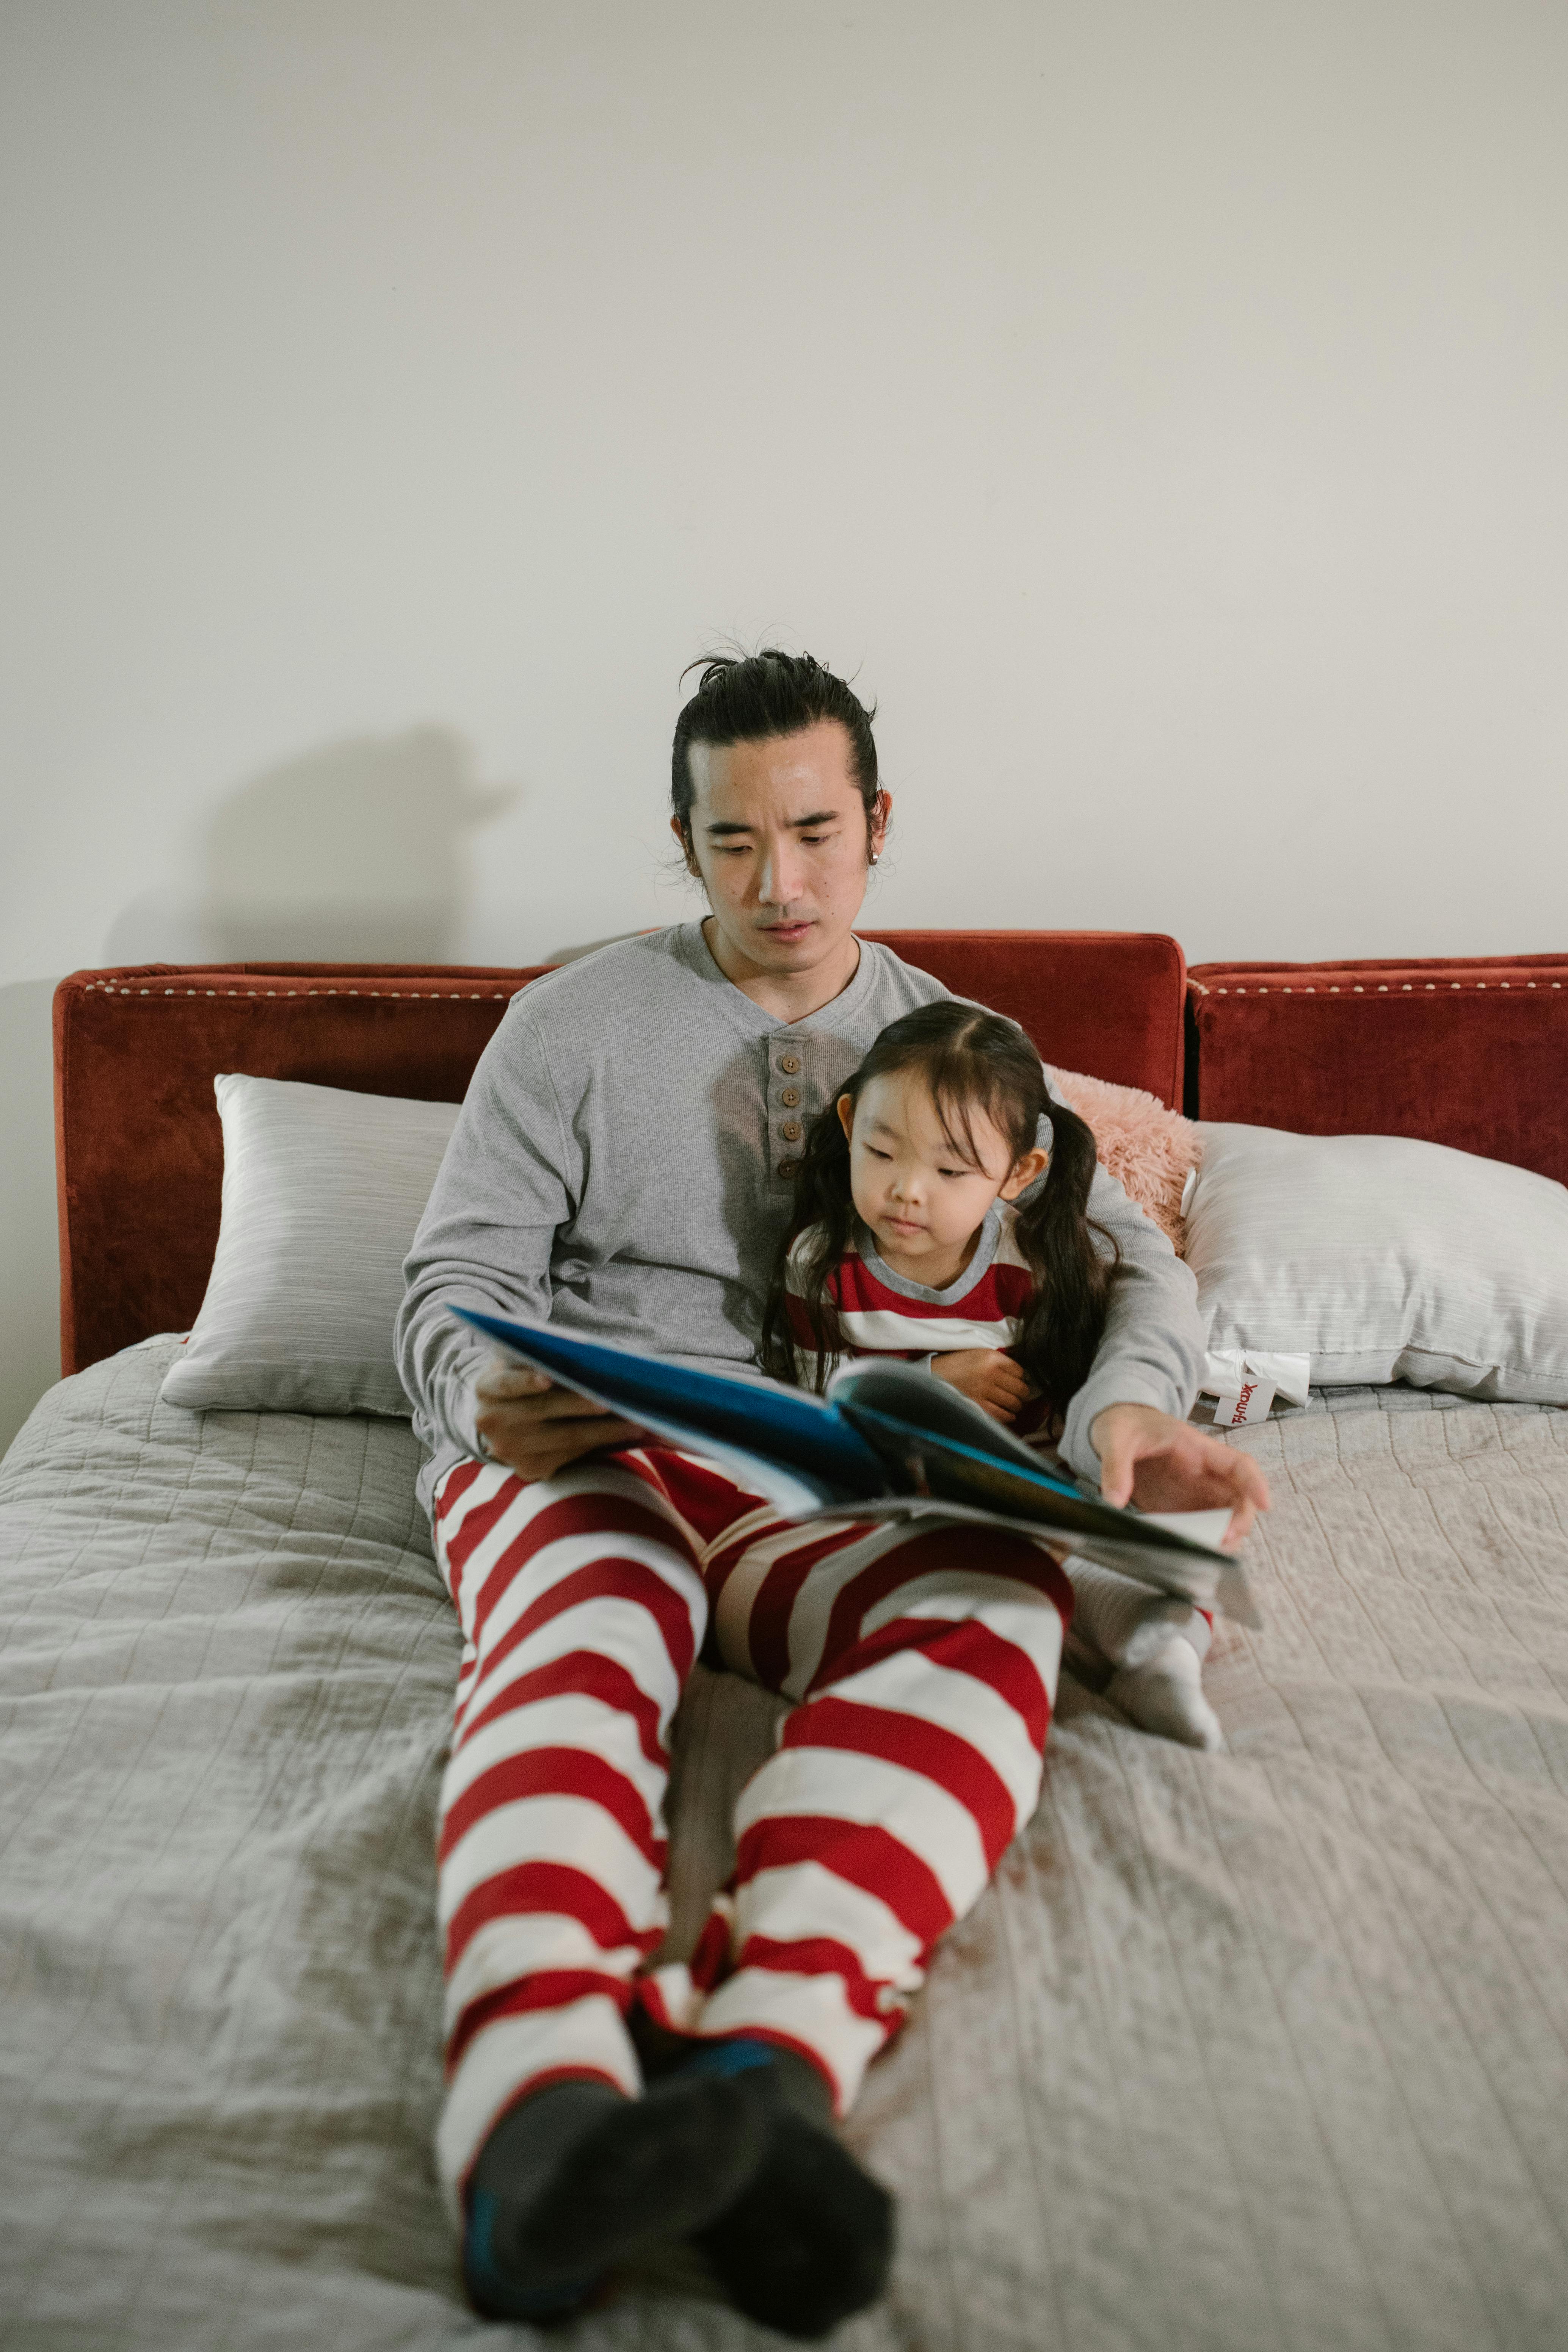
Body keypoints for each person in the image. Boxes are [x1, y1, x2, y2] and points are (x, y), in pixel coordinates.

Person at [395, 649, 1269, 2338]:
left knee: (992, 1601)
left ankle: (764, 2076)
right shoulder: (561, 1027)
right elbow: (446, 1284)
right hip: (596, 1454)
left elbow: (1128, 1255)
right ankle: (534, 2124)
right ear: (681, 838)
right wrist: (477, 1393)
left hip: (818, 1485)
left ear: (876, 823)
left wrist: (1128, 1405)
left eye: (813, 833)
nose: (777, 884)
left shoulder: (954, 1049)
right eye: (731, 844)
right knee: (585, 1637)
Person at [763, 997, 1225, 1753]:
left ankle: (1164, 1658)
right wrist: (930, 1381)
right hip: (901, 1496)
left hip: (1038, 1484)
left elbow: (1080, 1380)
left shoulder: (1034, 1265)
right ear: (848, 1125)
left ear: (1019, 1173)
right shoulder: (820, 1266)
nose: (908, 1189)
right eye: (881, 1154)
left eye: (950, 1169)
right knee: (945, 1571)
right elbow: (816, 1391)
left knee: (1172, 1542)